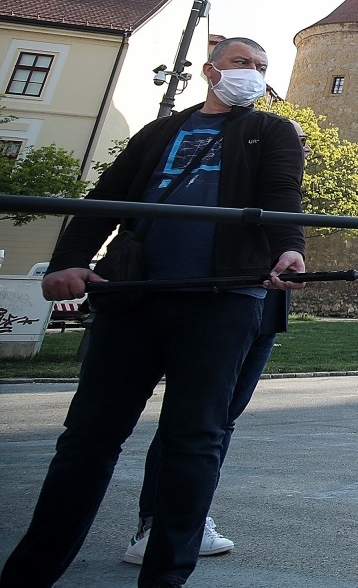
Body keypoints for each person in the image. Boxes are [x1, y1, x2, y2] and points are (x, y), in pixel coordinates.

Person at [1, 38, 306, 588]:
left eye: (262, 68)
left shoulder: (272, 131)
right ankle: (28, 574)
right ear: (211, 70)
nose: (253, 75)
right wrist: (66, 262)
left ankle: (163, 577)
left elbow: (282, 194)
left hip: (222, 299)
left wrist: (291, 245)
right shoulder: (160, 130)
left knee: (194, 440)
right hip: (134, 295)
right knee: (86, 440)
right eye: (243, 64)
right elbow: (105, 199)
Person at [123, 119, 307, 565]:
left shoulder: (283, 188)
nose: (296, 151)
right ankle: (158, 527)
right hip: (223, 299)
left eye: (300, 145)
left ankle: (186, 517)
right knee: (192, 422)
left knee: (219, 421)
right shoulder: (231, 177)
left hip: (262, 307)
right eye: (290, 143)